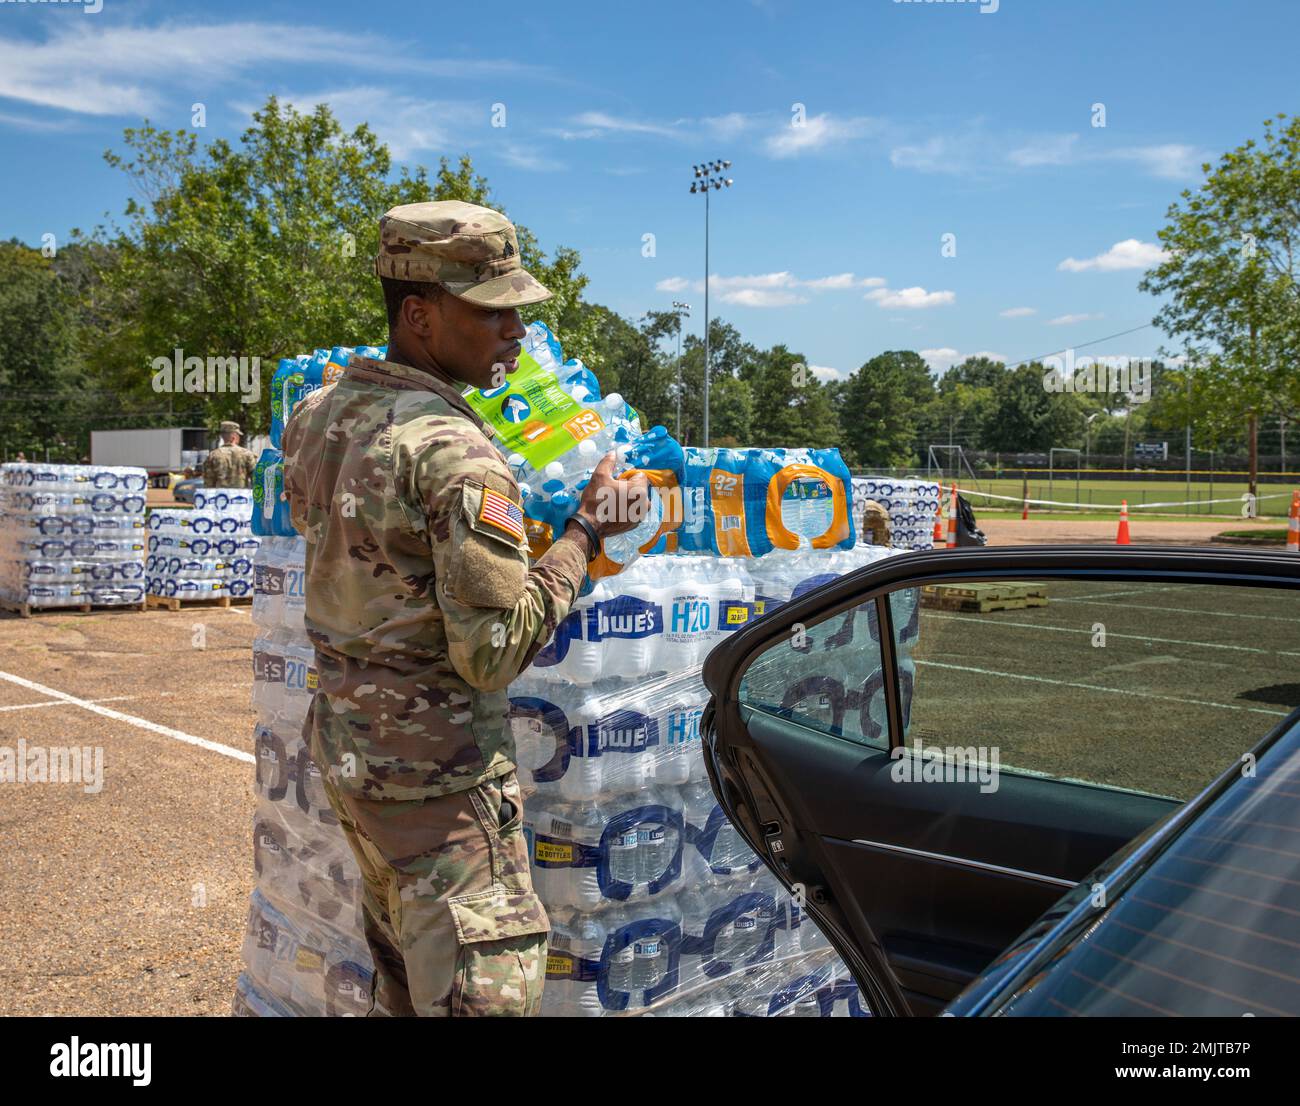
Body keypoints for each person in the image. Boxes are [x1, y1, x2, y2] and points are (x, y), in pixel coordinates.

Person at [282, 199, 649, 1017]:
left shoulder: (315, 417)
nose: (515, 329)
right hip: (437, 786)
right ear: (420, 315)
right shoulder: (458, 454)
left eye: (518, 309)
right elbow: (493, 651)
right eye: (491, 311)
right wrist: (585, 533)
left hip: (353, 756)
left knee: (408, 990)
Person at [202, 421, 257, 488]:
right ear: (234, 437)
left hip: (220, 496)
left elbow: (208, 483)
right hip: (241, 496)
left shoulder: (212, 456)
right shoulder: (247, 454)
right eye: (238, 435)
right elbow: (256, 479)